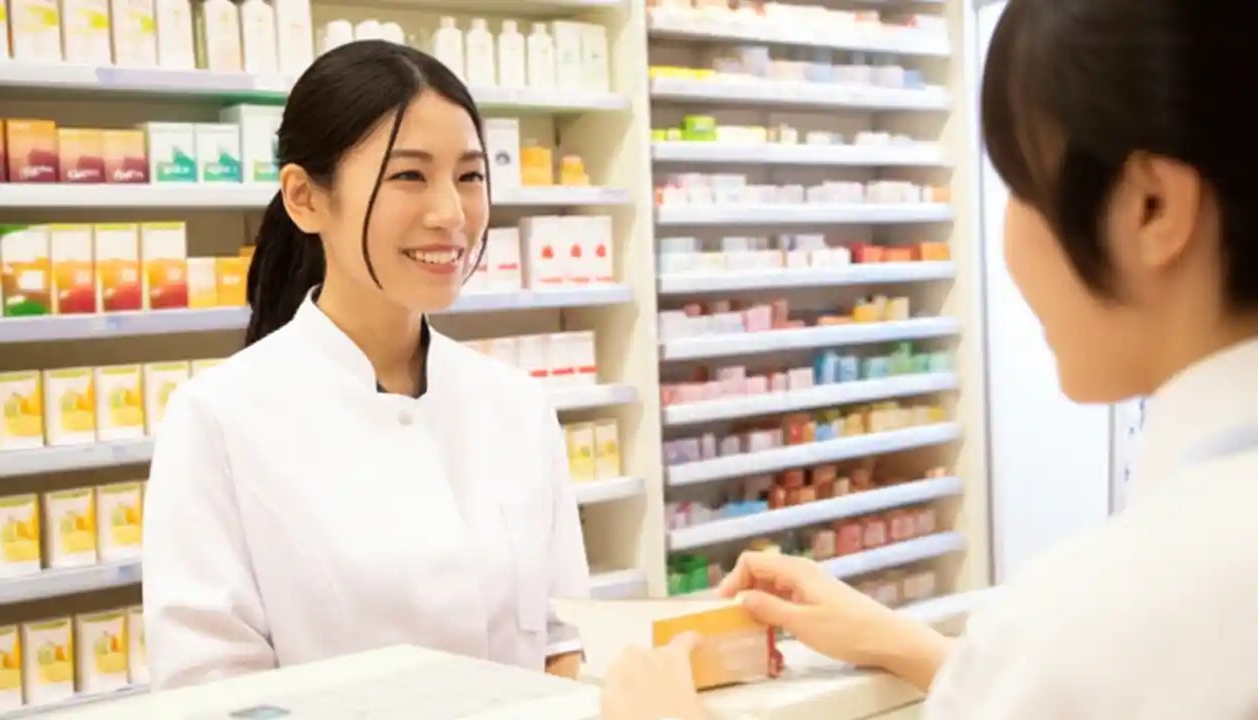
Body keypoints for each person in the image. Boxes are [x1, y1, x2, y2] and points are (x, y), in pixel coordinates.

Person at [601, 0, 1258, 717]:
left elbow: (1082, 670)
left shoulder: (1101, 615)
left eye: (1019, 187)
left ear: (1152, 208)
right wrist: (903, 642)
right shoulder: (1115, 626)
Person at [142, 41, 590, 689]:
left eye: (469, 176)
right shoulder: (219, 419)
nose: (451, 213)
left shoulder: (517, 406)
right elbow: (213, 691)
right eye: (409, 176)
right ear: (304, 198)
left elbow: (563, 644)